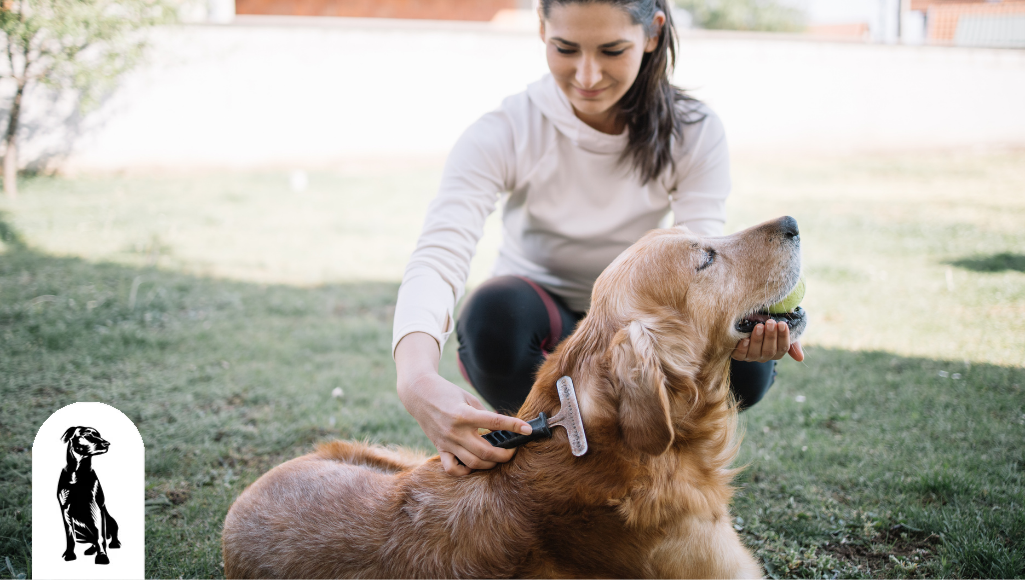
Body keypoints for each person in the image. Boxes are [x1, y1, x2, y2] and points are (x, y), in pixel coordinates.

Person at [392, 0, 804, 477]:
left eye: (612, 50)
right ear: (541, 28)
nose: (587, 75)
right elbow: (440, 254)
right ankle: (556, 444)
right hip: (539, 327)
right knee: (492, 315)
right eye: (565, 48)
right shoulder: (505, 130)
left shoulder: (694, 129)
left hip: (641, 325)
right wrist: (417, 377)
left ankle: (661, 461)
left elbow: (705, 251)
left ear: (652, 34)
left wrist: (748, 322)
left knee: (746, 370)